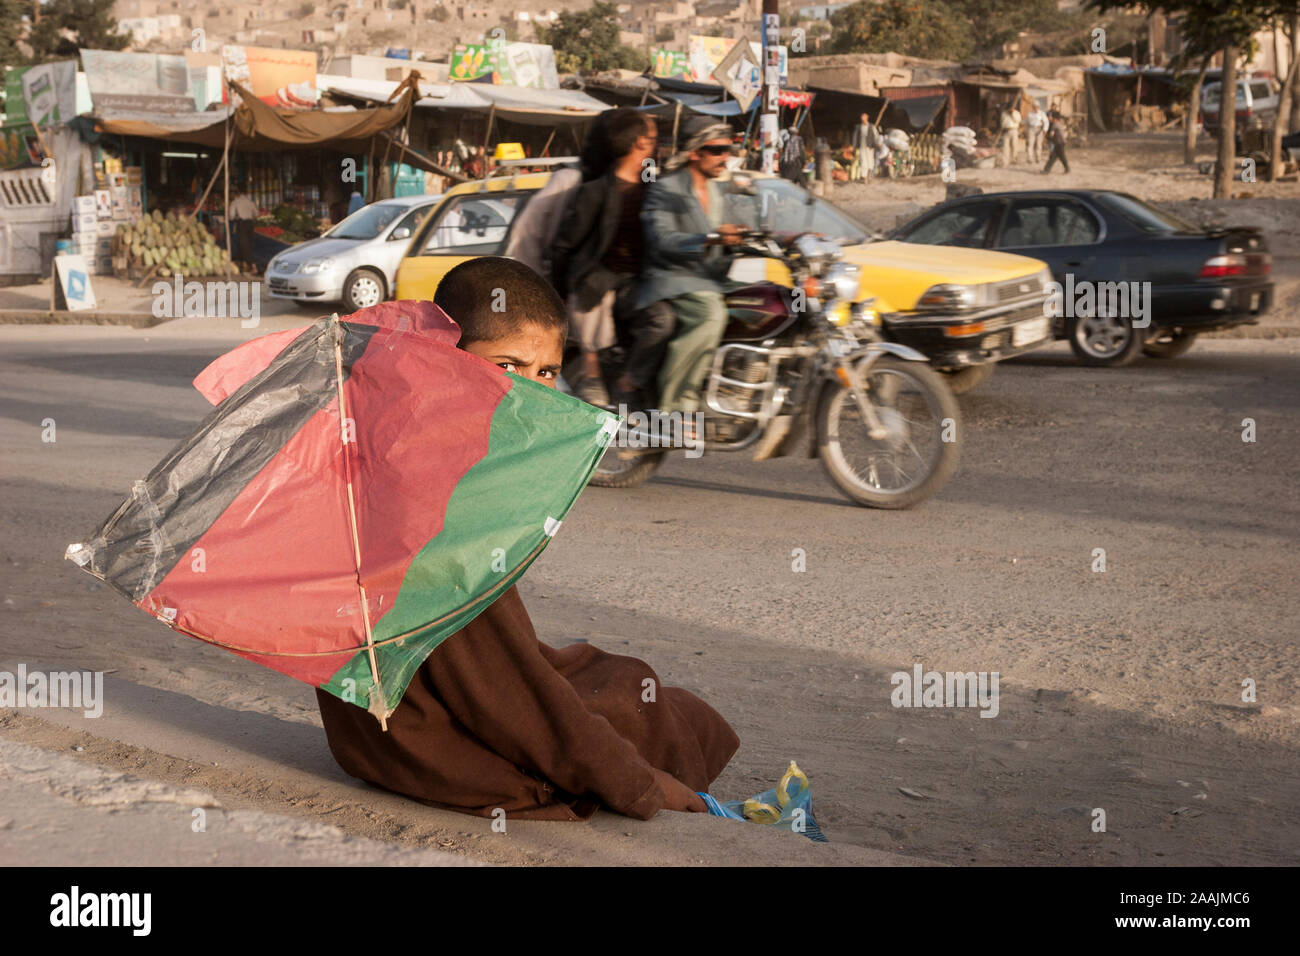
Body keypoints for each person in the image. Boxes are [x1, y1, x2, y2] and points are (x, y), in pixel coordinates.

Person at [315, 256, 739, 821]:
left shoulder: (396, 432)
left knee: (622, 682)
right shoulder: (435, 498)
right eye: (508, 366)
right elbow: (506, 698)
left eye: (546, 372)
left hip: (381, 728)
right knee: (633, 702)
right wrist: (642, 786)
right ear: (447, 355)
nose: (531, 390)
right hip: (424, 741)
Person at [551, 109, 676, 411]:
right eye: (651, 139)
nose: (656, 145)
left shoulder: (655, 189)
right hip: (601, 280)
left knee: (672, 318)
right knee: (648, 317)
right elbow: (564, 246)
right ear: (637, 144)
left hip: (641, 283)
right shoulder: (595, 192)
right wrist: (560, 294)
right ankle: (608, 380)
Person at [636, 118, 746, 421]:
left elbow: (728, 235)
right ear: (695, 152)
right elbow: (661, 240)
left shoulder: (716, 191)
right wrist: (710, 238)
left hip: (710, 279)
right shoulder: (665, 189)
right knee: (711, 314)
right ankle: (675, 409)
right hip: (671, 279)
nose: (726, 157)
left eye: (728, 149)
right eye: (717, 150)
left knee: (770, 300)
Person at [228, 182, 259, 275]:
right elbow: (256, 214)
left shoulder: (235, 202)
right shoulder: (250, 202)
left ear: (238, 191)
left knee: (243, 245)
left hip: (241, 224)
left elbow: (231, 216)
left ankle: (253, 267)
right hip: (250, 224)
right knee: (248, 244)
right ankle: (245, 266)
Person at [850, 112, 881, 181]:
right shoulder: (858, 127)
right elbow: (855, 138)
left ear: (867, 117)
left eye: (864, 116)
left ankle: (869, 175)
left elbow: (876, 136)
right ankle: (864, 177)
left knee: (870, 161)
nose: (862, 118)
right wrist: (854, 147)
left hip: (870, 147)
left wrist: (878, 143)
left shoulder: (871, 126)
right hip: (861, 147)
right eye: (862, 116)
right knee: (863, 161)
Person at [1044, 109, 1071, 174]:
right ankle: (1046, 170)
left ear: (1055, 118)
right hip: (1060, 143)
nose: (1050, 118)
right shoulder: (1058, 124)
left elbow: (1051, 135)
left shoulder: (1054, 125)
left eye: (1052, 117)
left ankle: (1046, 170)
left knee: (1056, 157)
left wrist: (1046, 136)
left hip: (1059, 143)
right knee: (1056, 157)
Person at [998, 102, 1022, 167]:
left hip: (1014, 130)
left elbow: (1018, 120)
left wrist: (1012, 114)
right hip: (1006, 131)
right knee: (1005, 147)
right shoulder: (1004, 113)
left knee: (1014, 146)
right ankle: (1005, 161)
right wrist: (1003, 129)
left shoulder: (1016, 113)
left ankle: (1014, 160)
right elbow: (1002, 122)